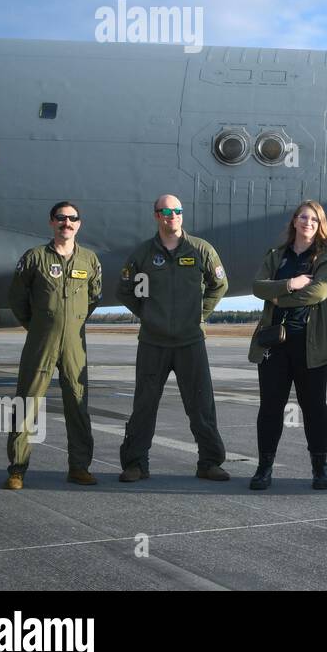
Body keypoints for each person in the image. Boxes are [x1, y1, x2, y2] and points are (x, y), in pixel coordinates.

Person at [116, 194, 229, 482]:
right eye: (166, 211)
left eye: (177, 210)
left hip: (191, 341)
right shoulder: (142, 253)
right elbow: (124, 290)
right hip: (153, 342)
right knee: (144, 404)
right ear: (156, 215)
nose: (172, 215)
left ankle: (209, 462)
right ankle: (135, 464)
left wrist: (200, 314)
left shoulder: (200, 249)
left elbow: (219, 285)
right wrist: (148, 314)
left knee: (201, 404)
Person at [3, 201, 102, 490]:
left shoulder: (89, 261)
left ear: (79, 224)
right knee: (27, 401)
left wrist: (73, 321)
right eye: (61, 218)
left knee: (78, 403)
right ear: (51, 222)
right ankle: (17, 470)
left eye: (72, 218)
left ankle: (79, 467)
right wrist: (38, 325)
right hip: (41, 341)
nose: (67, 223)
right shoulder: (34, 258)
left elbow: (93, 297)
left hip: (74, 343)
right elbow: (17, 298)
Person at [247, 201, 327, 490]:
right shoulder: (276, 256)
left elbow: (319, 292)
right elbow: (258, 287)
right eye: (303, 217)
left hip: (311, 344)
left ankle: (319, 469)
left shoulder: (325, 258)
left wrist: (278, 298)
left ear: (320, 225)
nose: (308, 222)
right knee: (270, 408)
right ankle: (264, 468)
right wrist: (291, 284)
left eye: (314, 219)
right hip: (275, 343)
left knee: (314, 407)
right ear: (294, 221)